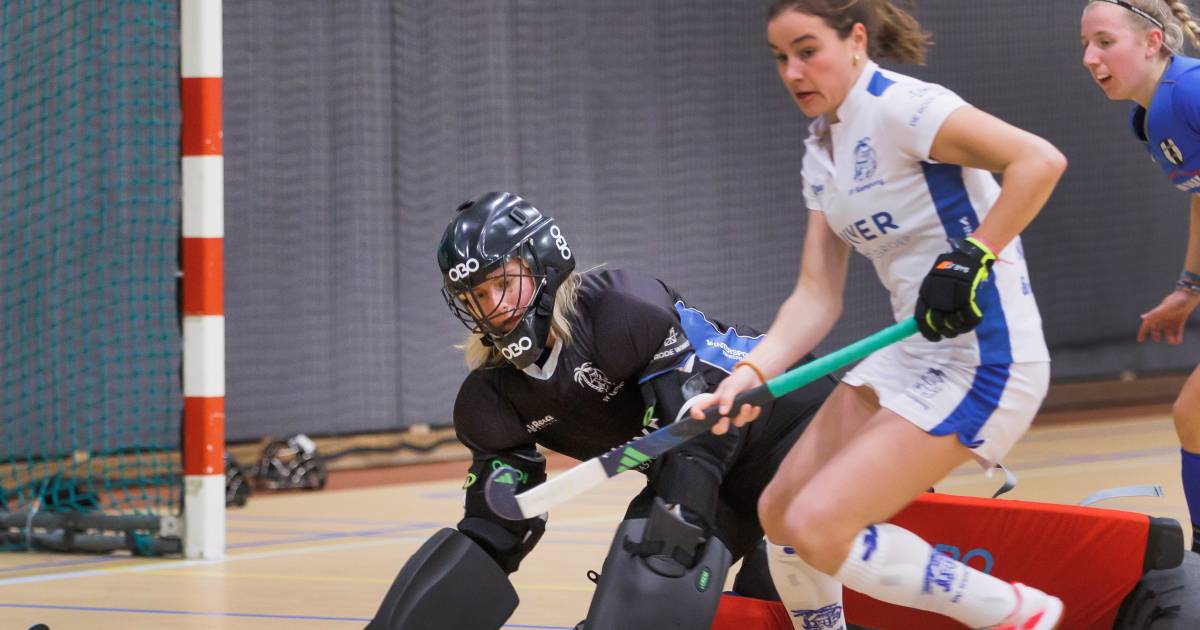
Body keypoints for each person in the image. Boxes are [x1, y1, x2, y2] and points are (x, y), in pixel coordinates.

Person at [691, 1, 1068, 629]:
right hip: (912, 351)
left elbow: (1038, 160)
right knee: (781, 513)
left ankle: (1020, 616)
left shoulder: (903, 106)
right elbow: (817, 294)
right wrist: (749, 373)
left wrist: (971, 256)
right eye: (781, 57)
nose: (792, 72)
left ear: (856, 40)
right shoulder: (822, 149)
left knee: (820, 524)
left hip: (986, 355)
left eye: (807, 51)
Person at [369, 191, 837, 630]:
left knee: (749, 591)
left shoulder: (621, 308)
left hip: (795, 427)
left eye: (500, 283)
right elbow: (497, 529)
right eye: (475, 296)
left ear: (543, 262)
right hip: (709, 474)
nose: (493, 308)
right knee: (637, 600)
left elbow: (697, 428)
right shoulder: (490, 402)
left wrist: (678, 526)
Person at [1080, 0, 1200, 556]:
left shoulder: (1191, 90)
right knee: (1193, 416)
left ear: (1153, 42)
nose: (1089, 57)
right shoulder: (1149, 119)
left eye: (1105, 42)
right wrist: (1190, 286)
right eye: (1085, 46)